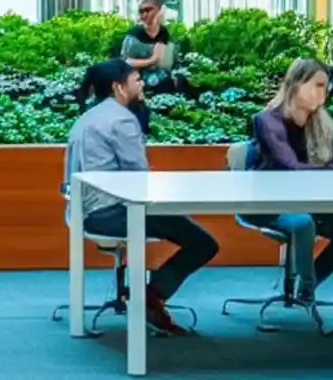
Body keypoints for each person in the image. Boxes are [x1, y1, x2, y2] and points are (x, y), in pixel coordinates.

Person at [65, 59, 218, 335]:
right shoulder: (122, 119)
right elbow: (139, 179)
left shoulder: (88, 117)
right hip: (114, 212)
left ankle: (147, 297)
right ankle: (151, 295)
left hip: (84, 211)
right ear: (118, 87)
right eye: (137, 80)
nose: (143, 84)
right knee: (204, 243)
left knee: (180, 227)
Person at [242, 58, 333, 303]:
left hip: (304, 200)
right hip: (264, 203)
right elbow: (291, 167)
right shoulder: (266, 121)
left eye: (325, 86)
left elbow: (326, 165)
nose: (323, 93)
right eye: (317, 85)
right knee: (303, 222)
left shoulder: (320, 123)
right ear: (296, 84)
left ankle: (309, 283)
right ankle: (306, 291)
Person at [120, 0, 177, 94]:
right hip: (138, 85)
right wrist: (152, 60)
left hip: (162, 84)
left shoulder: (164, 33)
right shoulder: (134, 35)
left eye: (149, 10)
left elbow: (167, 61)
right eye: (142, 11)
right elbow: (125, 62)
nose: (144, 14)